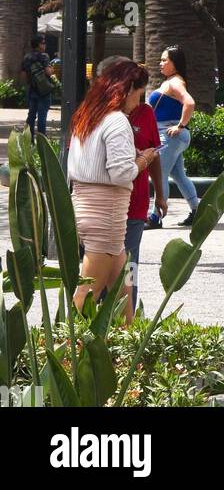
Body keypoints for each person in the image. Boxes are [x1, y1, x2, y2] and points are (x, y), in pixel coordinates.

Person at [67, 59, 160, 321]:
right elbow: (121, 174)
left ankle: (128, 344)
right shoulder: (118, 121)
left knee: (123, 291)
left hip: (88, 207)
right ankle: (64, 356)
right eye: (139, 95)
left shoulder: (88, 114)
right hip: (107, 215)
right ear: (129, 89)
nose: (139, 103)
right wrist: (143, 160)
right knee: (87, 294)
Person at [96, 56, 167, 316]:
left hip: (135, 206)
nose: (140, 96)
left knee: (130, 267)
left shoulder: (146, 113)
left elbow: (155, 154)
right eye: (138, 90)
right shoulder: (101, 116)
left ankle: (127, 323)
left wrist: (160, 193)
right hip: (106, 209)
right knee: (98, 271)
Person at [146, 46, 199, 228]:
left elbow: (190, 103)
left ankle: (155, 217)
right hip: (173, 136)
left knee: (159, 175)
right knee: (178, 175)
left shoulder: (175, 82)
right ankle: (197, 212)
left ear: (175, 63)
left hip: (170, 136)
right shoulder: (172, 81)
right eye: (160, 60)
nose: (160, 63)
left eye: (164, 60)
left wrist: (180, 125)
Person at [21, 34, 57, 139]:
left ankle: (28, 138)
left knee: (31, 115)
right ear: (38, 45)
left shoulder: (27, 57)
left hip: (32, 90)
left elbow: (23, 75)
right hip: (44, 91)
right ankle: (42, 140)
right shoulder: (44, 56)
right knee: (42, 116)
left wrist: (32, 81)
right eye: (43, 43)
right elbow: (49, 72)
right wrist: (51, 69)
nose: (45, 45)